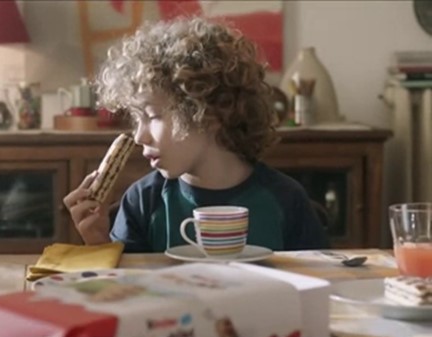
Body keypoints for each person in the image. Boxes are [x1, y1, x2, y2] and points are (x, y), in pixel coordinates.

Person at [63, 17, 329, 253]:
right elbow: (126, 293)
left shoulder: (287, 200)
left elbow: (320, 285)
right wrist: (98, 241)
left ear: (209, 111)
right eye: (136, 118)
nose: (139, 136)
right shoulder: (142, 201)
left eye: (153, 115)